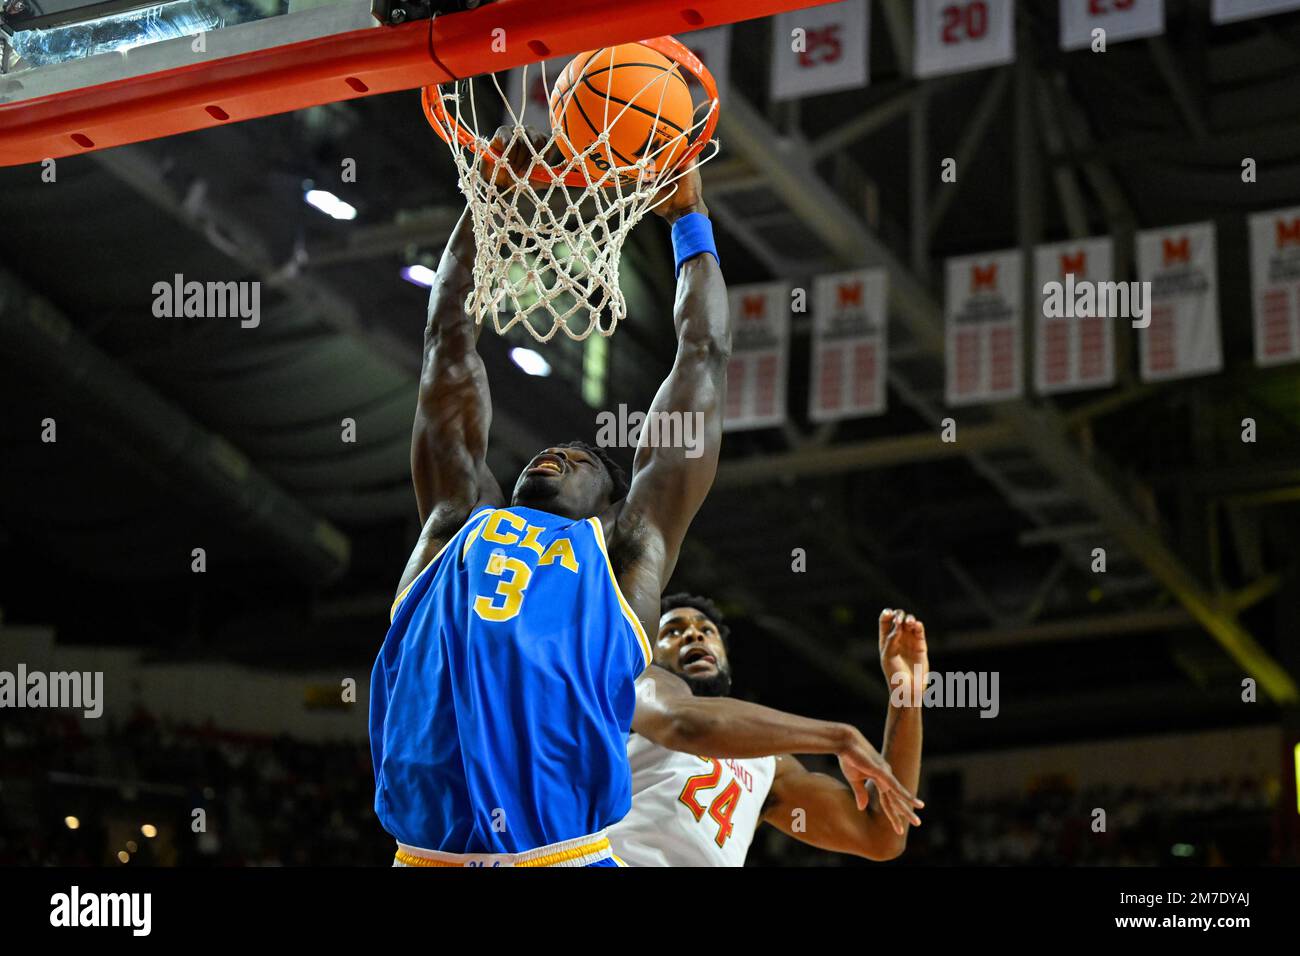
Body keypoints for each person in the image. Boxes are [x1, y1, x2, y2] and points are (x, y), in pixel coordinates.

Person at [611, 597, 927, 865]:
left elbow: (879, 835)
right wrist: (839, 738)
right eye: (673, 631)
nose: (694, 635)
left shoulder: (768, 762)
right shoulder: (637, 685)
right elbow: (684, 724)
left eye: (707, 631)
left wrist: (907, 698)